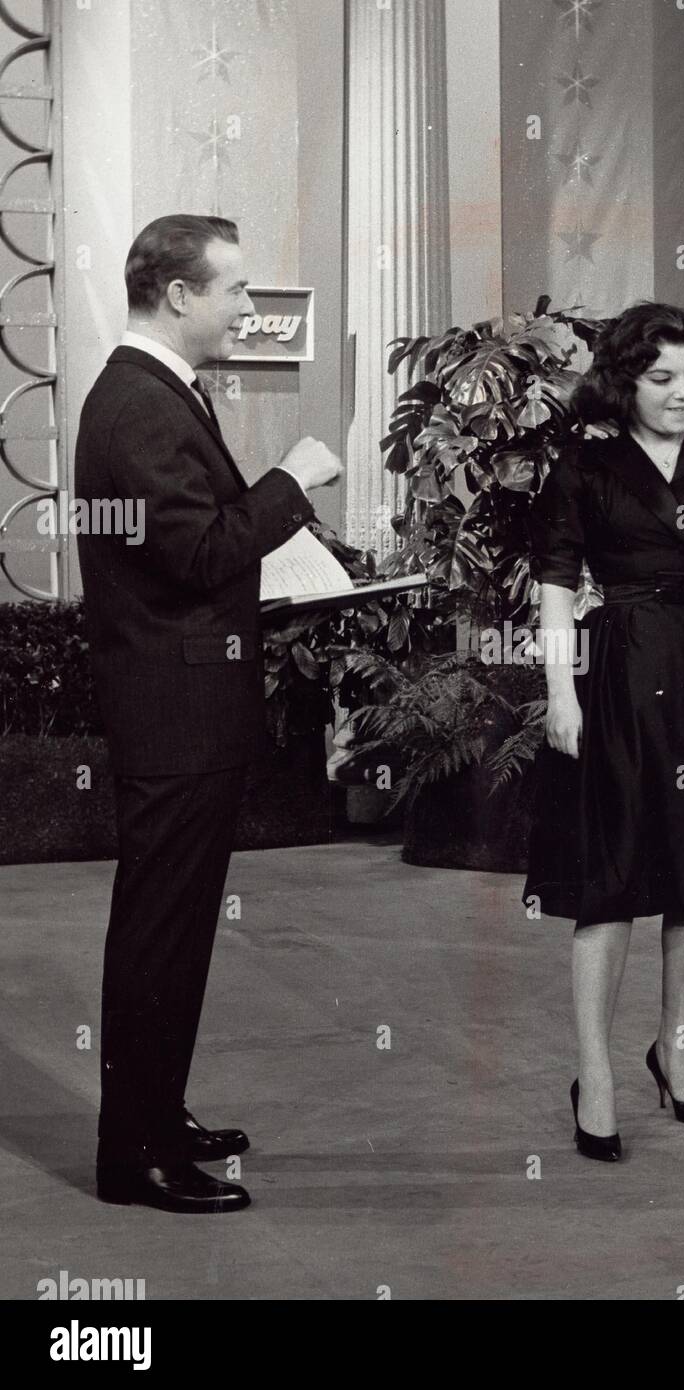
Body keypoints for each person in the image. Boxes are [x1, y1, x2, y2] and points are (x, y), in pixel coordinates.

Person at [76, 214, 341, 1211]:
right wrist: (291, 485)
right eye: (233, 288)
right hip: (175, 712)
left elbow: (181, 558)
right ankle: (134, 1153)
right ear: (177, 293)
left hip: (183, 703)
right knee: (159, 932)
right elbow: (195, 551)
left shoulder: (150, 393)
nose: (247, 306)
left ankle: (155, 1110)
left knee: (175, 931)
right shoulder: (140, 405)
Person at [524, 301, 684, 1162]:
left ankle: (675, 1052)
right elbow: (557, 585)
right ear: (624, 382)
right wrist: (560, 693)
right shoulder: (585, 465)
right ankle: (594, 1073)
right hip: (621, 676)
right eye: (661, 378)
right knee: (610, 877)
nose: (683, 392)